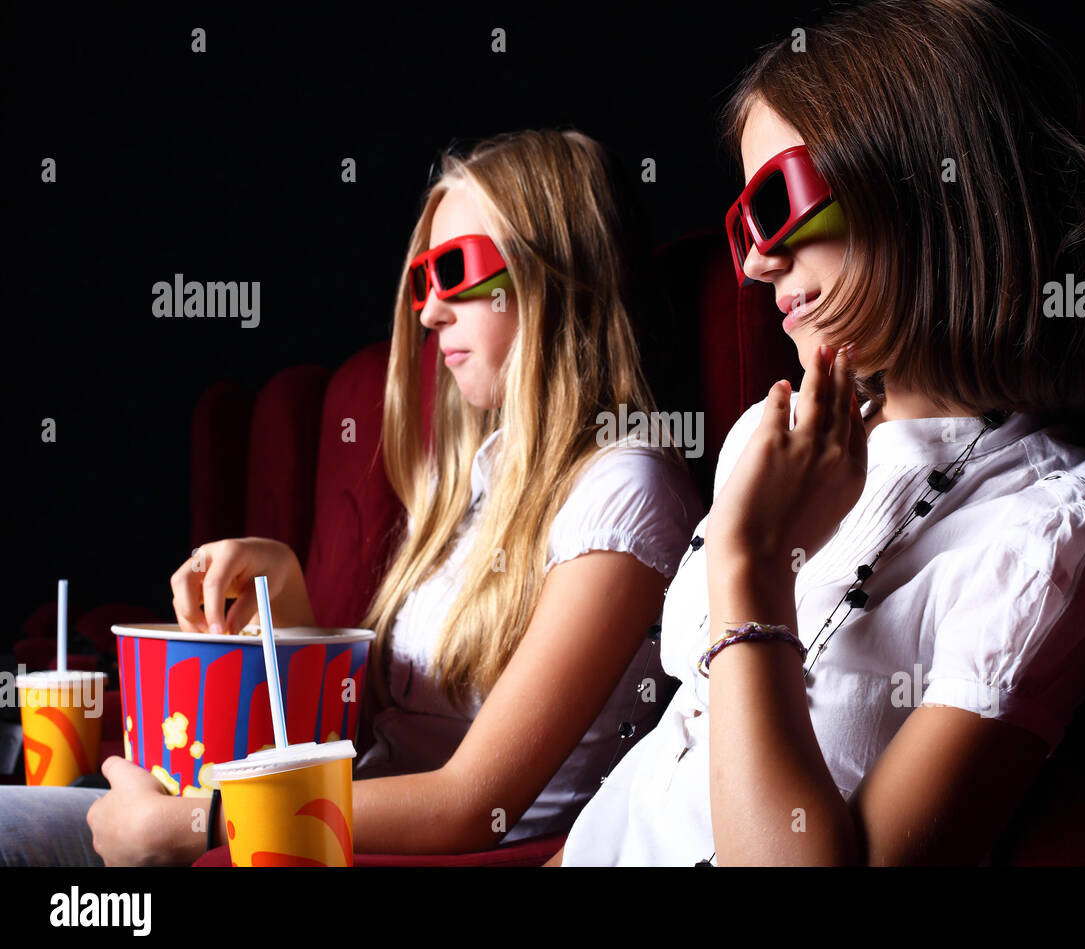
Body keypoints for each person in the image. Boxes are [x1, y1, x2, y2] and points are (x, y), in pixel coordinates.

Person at [0, 129, 702, 865]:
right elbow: (374, 743)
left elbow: (470, 805)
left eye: (454, 272)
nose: (429, 313)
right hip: (333, 831)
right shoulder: (478, 481)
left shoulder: (626, 491)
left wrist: (196, 822)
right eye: (421, 282)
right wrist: (292, 601)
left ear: (553, 273)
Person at [553, 0, 1085, 866]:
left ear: (929, 180)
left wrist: (754, 559)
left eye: (776, 201)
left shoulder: (1044, 540)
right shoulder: (777, 435)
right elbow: (670, 759)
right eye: (741, 224)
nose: (752, 261)